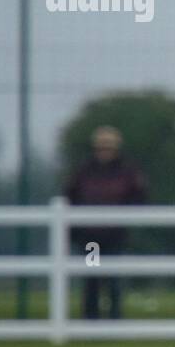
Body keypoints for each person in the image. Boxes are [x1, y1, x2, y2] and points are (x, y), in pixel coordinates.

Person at [63, 126, 147, 319]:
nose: (104, 151)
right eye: (101, 147)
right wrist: (76, 230)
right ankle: (91, 320)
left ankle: (114, 319)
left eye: (108, 147)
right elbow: (71, 196)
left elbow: (139, 196)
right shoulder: (85, 171)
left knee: (114, 280)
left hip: (115, 235)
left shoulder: (126, 171)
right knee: (92, 278)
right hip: (91, 237)